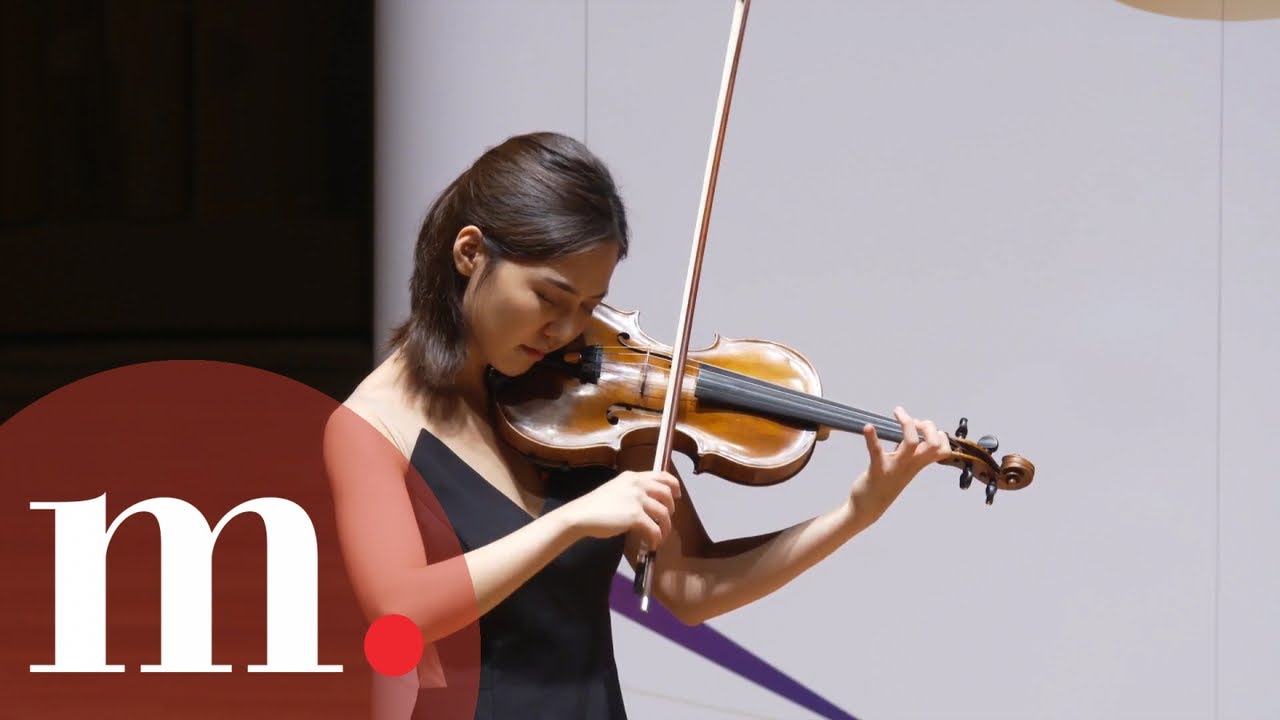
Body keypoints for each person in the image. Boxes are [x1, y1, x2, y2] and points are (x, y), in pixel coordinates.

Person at [325, 131, 951, 719]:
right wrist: (570, 522)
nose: (567, 331)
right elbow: (401, 608)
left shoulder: (589, 405)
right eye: (550, 297)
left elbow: (689, 587)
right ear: (469, 253)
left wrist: (852, 515)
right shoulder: (372, 425)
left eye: (589, 307)